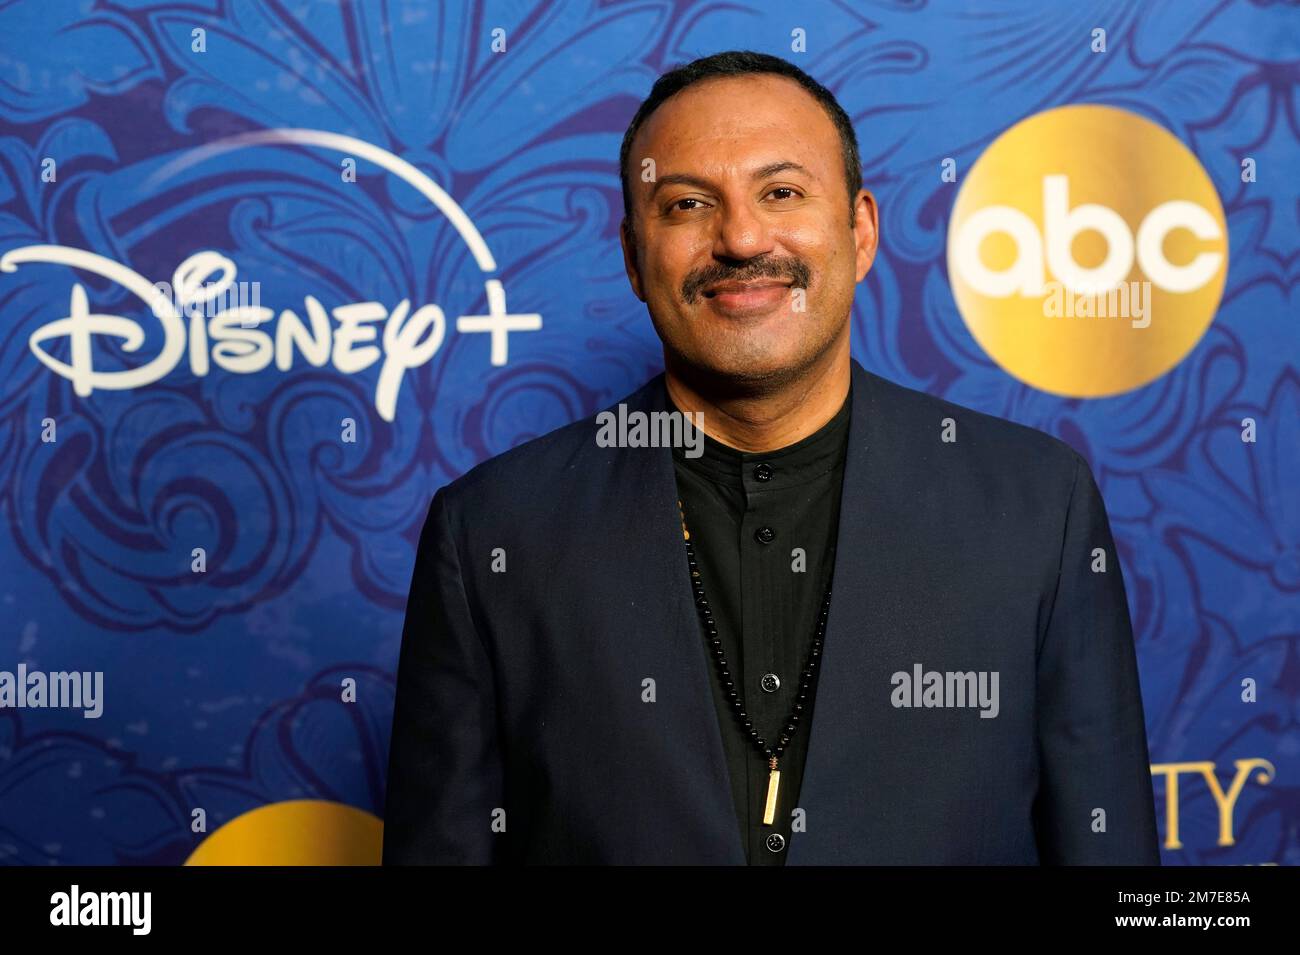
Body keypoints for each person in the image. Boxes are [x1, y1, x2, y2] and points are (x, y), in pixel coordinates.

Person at [382, 50, 1160, 865]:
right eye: (687, 204)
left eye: (782, 192)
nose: (743, 238)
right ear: (634, 258)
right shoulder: (493, 533)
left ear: (860, 230)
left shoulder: (1038, 507)